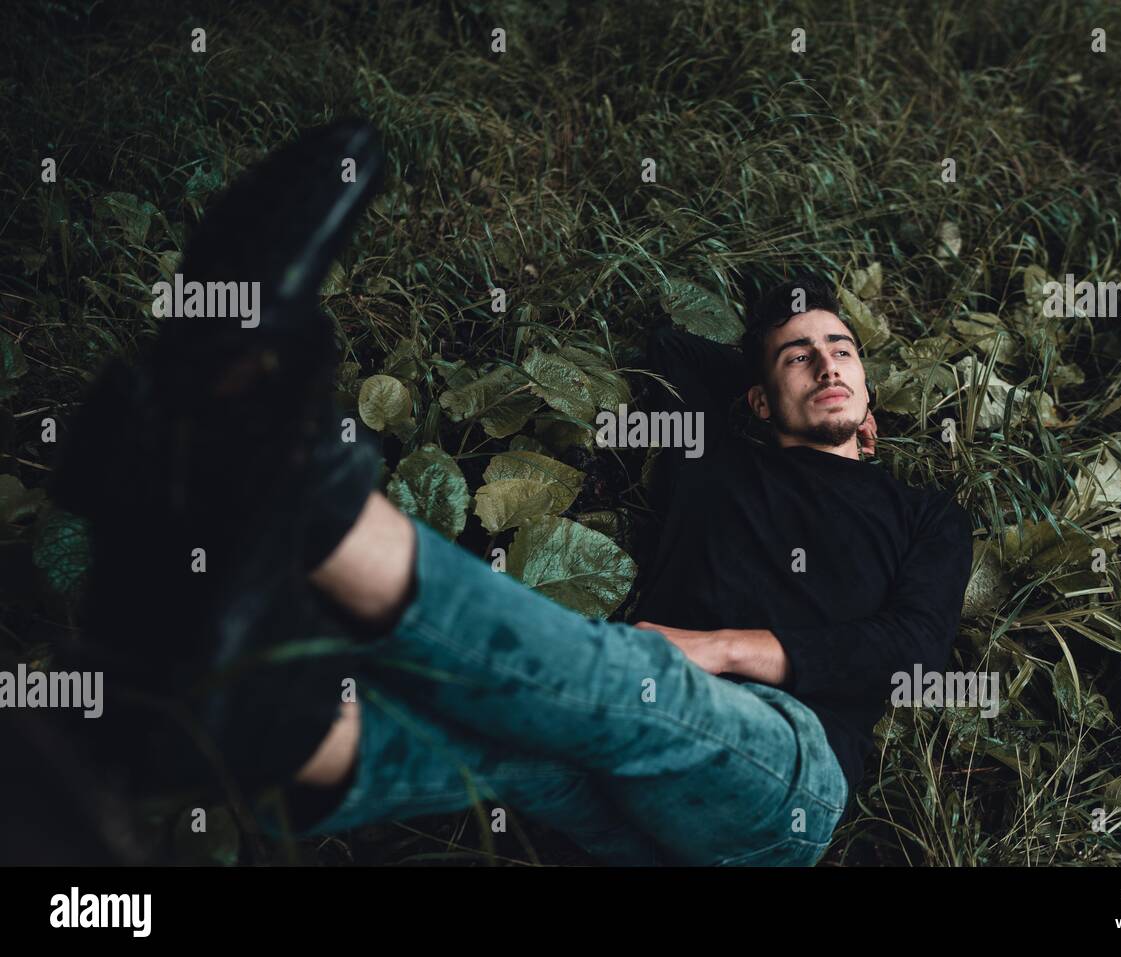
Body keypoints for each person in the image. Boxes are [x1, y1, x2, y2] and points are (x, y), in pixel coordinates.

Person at [50, 120, 973, 867]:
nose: (827, 362)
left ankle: (293, 495)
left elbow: (910, 651)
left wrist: (721, 648)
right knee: (500, 741)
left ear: (874, 399)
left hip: (784, 784)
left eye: (843, 349)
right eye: (798, 356)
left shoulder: (923, 514)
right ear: (754, 397)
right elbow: (672, 344)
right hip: (625, 809)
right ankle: (209, 717)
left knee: (629, 674)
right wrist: (757, 361)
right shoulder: (719, 449)